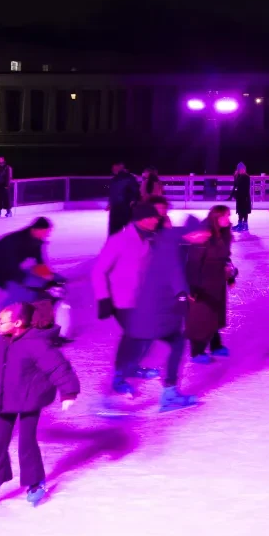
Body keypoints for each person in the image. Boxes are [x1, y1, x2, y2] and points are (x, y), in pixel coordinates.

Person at [0, 302, 79, 507]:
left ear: (18, 323)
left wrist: (68, 392)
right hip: (3, 399)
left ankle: (35, 481)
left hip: (29, 399)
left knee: (26, 441)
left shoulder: (36, 344)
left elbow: (58, 368)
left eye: (2, 322)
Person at [119, 211, 207, 413]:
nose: (204, 237)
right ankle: (168, 393)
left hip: (157, 308)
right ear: (193, 234)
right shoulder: (171, 246)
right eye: (202, 234)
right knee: (153, 345)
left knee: (162, 344)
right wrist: (183, 296)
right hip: (156, 309)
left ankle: (166, 391)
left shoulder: (173, 240)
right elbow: (174, 272)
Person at [92, 204, 164, 400]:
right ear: (140, 219)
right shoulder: (119, 240)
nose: (155, 220)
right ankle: (119, 377)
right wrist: (103, 298)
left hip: (140, 298)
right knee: (134, 334)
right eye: (151, 217)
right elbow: (99, 271)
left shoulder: (148, 239)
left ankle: (131, 367)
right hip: (119, 299)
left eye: (156, 217)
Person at [186, 206, 234, 363]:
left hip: (217, 280)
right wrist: (192, 287)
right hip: (202, 281)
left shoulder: (225, 234)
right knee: (201, 318)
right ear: (216, 218)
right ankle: (197, 352)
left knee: (215, 314)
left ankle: (215, 345)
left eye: (228, 216)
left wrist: (230, 275)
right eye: (225, 216)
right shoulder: (204, 235)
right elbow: (193, 262)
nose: (228, 219)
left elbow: (226, 257)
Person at [107, 161, 141, 236]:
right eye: (113, 168)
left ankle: (121, 242)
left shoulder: (128, 178)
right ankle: (114, 243)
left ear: (121, 167)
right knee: (115, 228)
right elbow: (112, 192)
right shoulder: (114, 179)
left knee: (125, 227)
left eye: (115, 167)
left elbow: (135, 190)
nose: (113, 169)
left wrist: (133, 200)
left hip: (125, 207)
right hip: (117, 207)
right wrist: (110, 203)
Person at [231, 163, 252, 232]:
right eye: (240, 169)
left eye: (243, 169)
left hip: (245, 196)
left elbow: (247, 188)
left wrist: (245, 197)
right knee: (240, 211)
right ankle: (240, 223)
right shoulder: (237, 176)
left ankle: (245, 224)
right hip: (239, 196)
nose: (242, 170)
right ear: (238, 169)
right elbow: (235, 186)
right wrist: (233, 194)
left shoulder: (246, 177)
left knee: (244, 211)